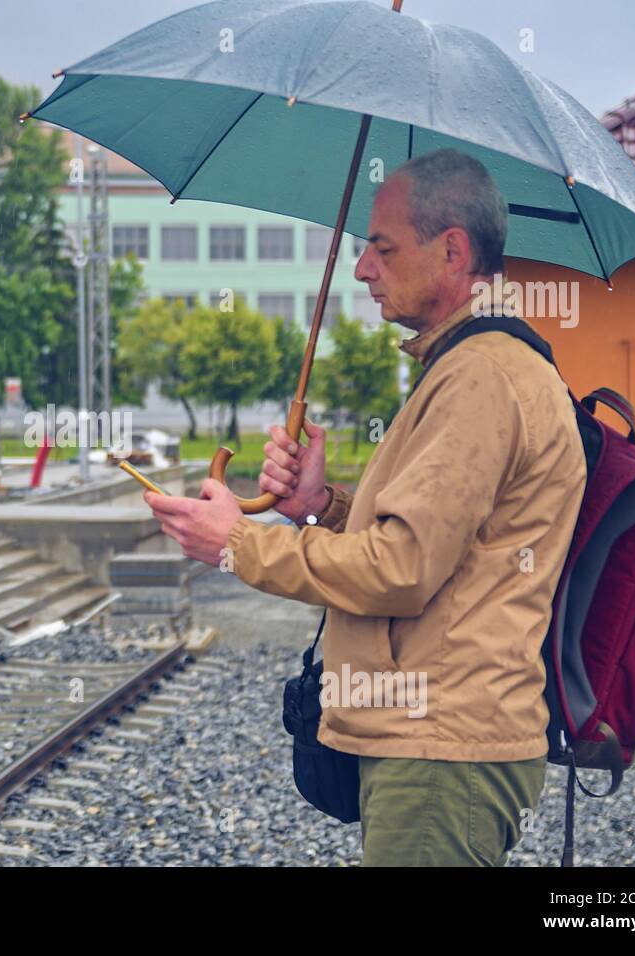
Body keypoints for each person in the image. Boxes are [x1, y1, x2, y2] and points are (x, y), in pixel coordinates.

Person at [144, 148, 587, 866]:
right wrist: (318, 505)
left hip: (441, 748)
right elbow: (438, 548)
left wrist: (238, 543)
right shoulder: (472, 366)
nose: (361, 269)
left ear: (451, 251)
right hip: (436, 740)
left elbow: (399, 570)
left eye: (382, 248)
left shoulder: (480, 377)